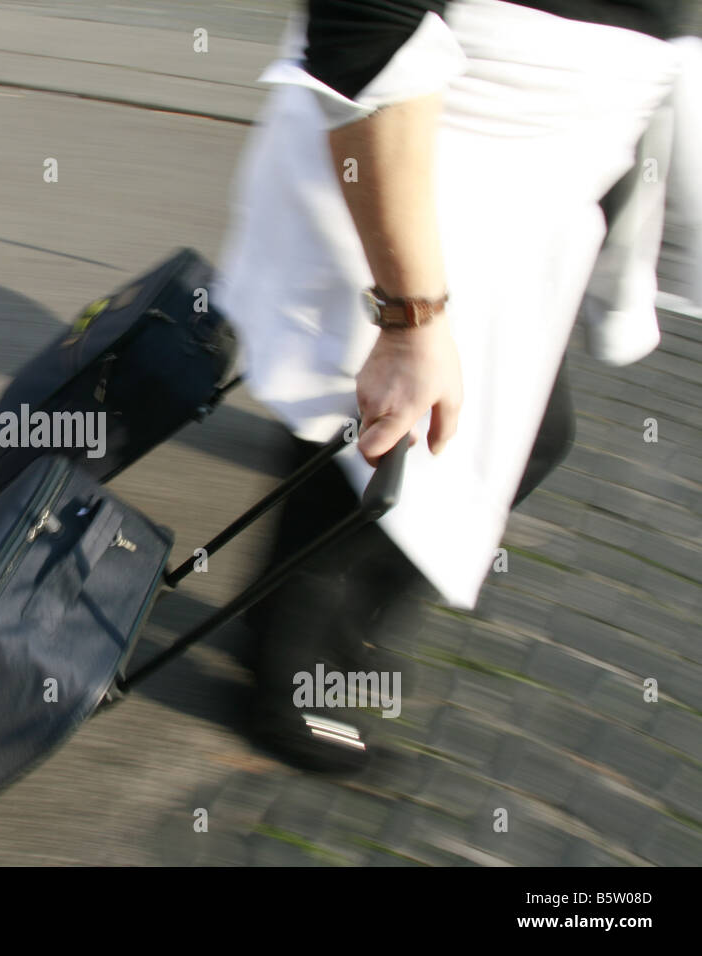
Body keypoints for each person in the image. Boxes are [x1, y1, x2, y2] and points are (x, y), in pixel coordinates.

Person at [213, 0, 697, 770]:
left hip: (532, 172)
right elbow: (368, 35)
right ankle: (294, 667)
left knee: (485, 432)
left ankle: (304, 635)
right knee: (411, 428)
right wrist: (409, 320)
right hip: (428, 152)